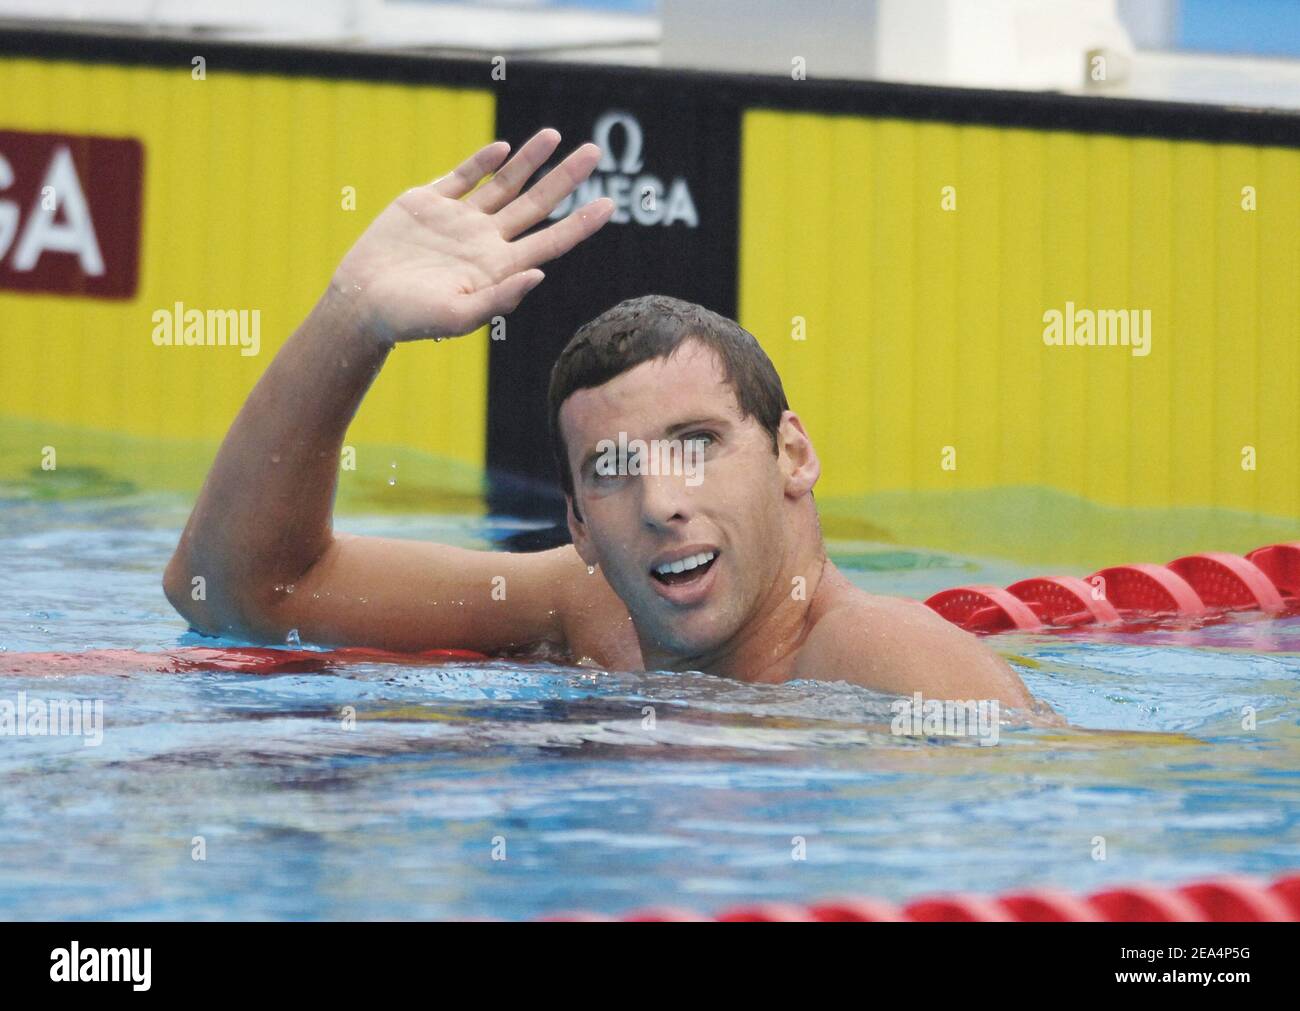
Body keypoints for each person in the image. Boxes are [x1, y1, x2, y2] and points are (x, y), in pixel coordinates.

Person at [164, 128, 1056, 718]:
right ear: (580, 526)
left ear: (792, 453)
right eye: (614, 467)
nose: (662, 501)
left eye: (698, 445)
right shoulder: (588, 608)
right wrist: (350, 319)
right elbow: (236, 592)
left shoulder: (878, 658)